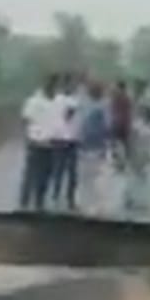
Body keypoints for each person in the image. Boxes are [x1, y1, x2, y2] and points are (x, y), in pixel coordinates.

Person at [17, 74, 67, 211]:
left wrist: (61, 137)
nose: (54, 88)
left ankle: (39, 203)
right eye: (51, 85)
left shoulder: (58, 102)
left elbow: (59, 122)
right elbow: (25, 119)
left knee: (46, 175)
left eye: (56, 85)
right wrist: (28, 137)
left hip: (52, 144)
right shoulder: (34, 101)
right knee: (31, 174)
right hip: (36, 143)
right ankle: (24, 204)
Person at [48, 72, 85, 209]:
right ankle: (70, 200)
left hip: (58, 139)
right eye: (71, 84)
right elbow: (69, 115)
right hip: (69, 140)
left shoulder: (55, 100)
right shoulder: (71, 101)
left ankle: (56, 198)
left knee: (59, 170)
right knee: (71, 172)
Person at [107, 80, 134, 174]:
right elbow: (111, 111)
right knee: (117, 146)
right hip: (118, 125)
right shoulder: (116, 98)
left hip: (122, 125)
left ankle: (123, 164)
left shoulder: (123, 99)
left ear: (121, 88)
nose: (115, 89)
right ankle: (120, 164)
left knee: (124, 146)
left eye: (117, 87)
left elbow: (128, 113)